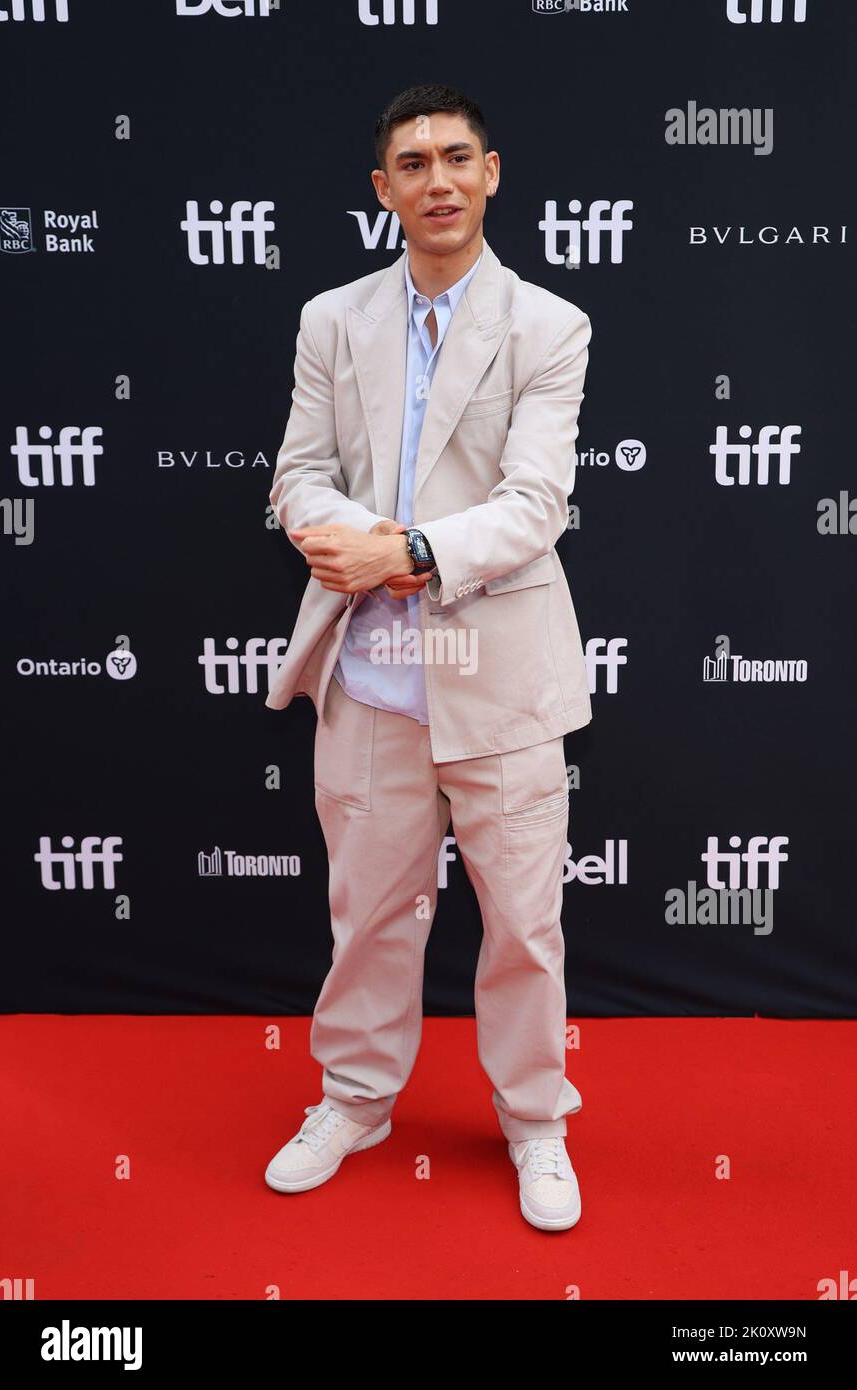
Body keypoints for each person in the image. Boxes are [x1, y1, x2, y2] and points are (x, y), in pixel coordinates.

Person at [262, 83, 592, 1232]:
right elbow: (297, 470)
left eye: (456, 157)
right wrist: (329, 533)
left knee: (522, 924)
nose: (436, 179)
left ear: (490, 173)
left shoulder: (549, 325)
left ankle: (535, 1120)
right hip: (367, 683)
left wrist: (403, 547)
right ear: (382, 190)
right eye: (412, 163)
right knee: (368, 917)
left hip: (497, 683)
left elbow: (533, 503)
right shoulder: (330, 320)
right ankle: (353, 1097)